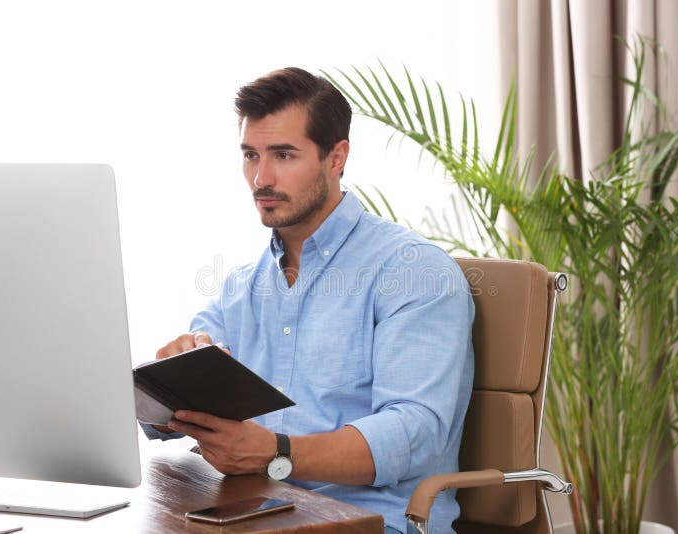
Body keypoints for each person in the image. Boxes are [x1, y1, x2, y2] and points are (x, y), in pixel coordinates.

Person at [142, 67, 474, 533]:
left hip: (373, 521)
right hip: (255, 510)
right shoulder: (242, 286)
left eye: (283, 155)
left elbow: (413, 435)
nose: (261, 177)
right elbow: (173, 406)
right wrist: (166, 388)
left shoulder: (414, 272)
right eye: (250, 155)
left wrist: (276, 452)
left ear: (336, 158)